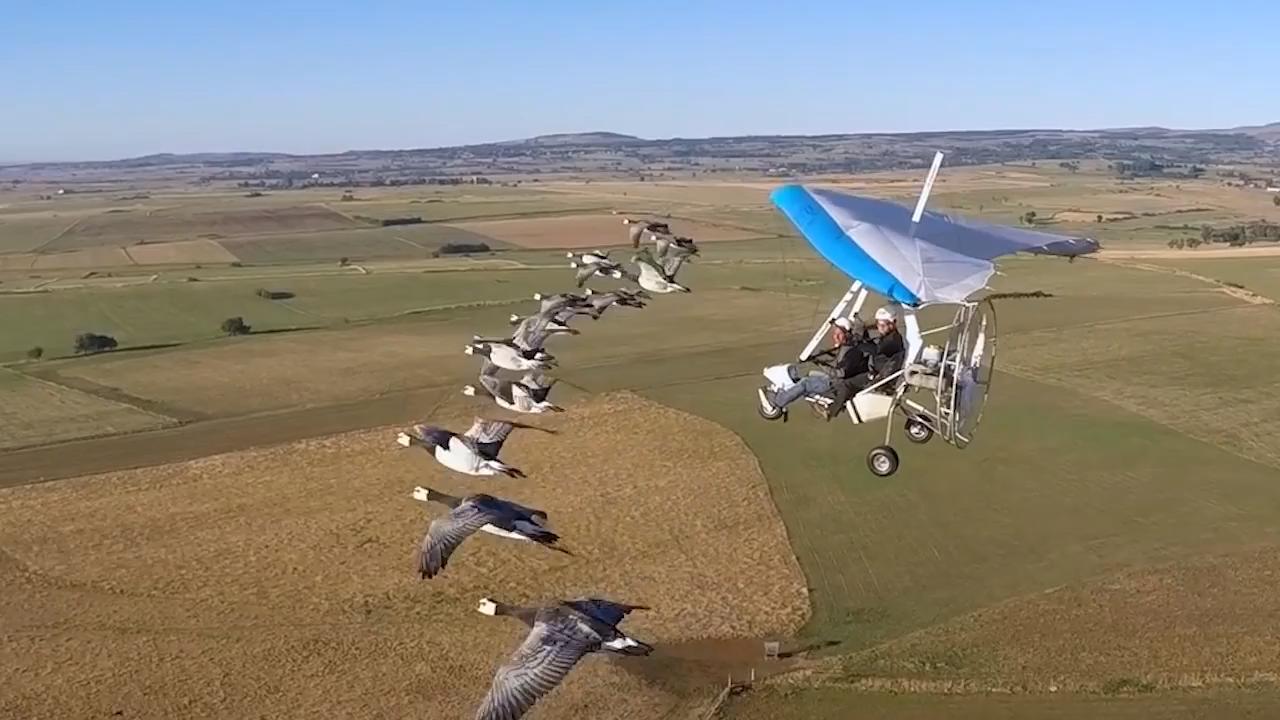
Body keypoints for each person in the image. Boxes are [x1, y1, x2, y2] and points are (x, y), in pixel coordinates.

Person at [762, 316, 868, 416]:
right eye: (835, 333)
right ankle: (785, 391)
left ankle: (777, 402)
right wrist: (820, 357)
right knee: (809, 374)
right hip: (833, 381)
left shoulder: (851, 351)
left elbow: (840, 373)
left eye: (839, 334)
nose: (835, 337)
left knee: (805, 383)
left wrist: (819, 363)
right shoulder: (847, 346)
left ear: (847, 334)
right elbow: (839, 361)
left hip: (834, 385)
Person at [821, 306, 906, 420]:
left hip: (879, 378)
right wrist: (864, 328)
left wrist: (853, 341)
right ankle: (839, 398)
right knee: (854, 369)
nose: (879, 328)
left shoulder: (892, 341)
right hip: (879, 369)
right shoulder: (890, 336)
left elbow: (876, 350)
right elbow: (873, 346)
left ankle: (831, 411)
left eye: (882, 325)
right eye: (878, 324)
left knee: (847, 384)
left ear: (893, 323)